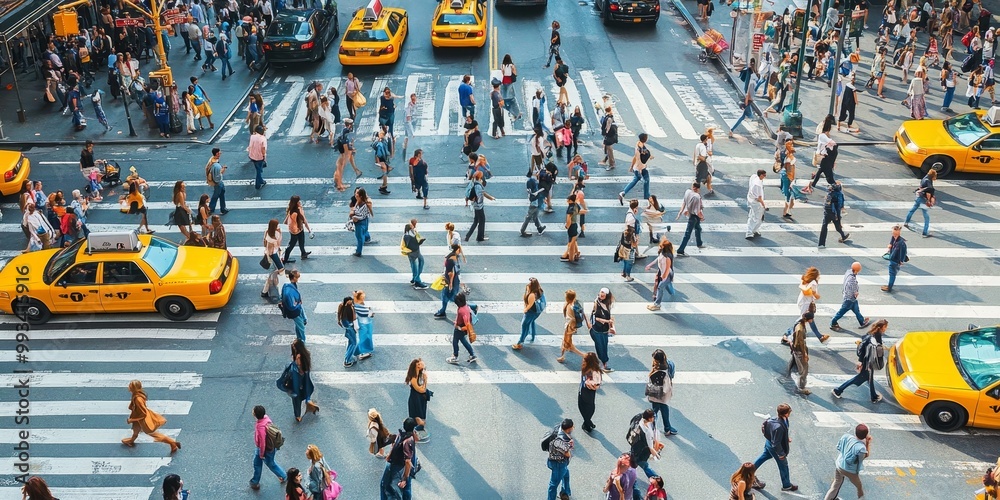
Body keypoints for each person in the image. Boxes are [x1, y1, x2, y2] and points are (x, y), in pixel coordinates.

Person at [833, 320, 888, 402]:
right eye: (885, 327)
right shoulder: (876, 336)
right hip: (868, 361)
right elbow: (873, 349)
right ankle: (838, 390)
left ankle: (874, 396)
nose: (886, 329)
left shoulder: (872, 333)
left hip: (867, 360)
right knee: (863, 377)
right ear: (880, 327)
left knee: (869, 378)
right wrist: (860, 361)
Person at [122, 380, 180, 453]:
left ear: (134, 388)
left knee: (153, 434)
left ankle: (172, 443)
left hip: (142, 420)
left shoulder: (138, 399)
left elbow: (143, 414)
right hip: (138, 419)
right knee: (135, 431)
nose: (128, 387)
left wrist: (131, 420)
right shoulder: (136, 395)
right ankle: (131, 441)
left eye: (130, 385)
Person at [753, 403, 797, 492]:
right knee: (783, 465)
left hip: (769, 443)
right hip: (775, 448)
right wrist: (781, 454)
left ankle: (749, 472)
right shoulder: (779, 426)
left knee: (764, 456)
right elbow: (776, 443)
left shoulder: (774, 419)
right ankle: (786, 485)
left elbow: (774, 433)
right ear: (786, 414)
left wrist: (785, 438)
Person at [823, 424, 872, 500]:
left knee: (836, 483)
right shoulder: (861, 448)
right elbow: (864, 456)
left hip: (839, 465)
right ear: (865, 436)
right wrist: (868, 443)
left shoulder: (847, 437)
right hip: (849, 470)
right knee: (859, 487)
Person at [249, 405, 286, 490]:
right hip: (271, 446)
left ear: (255, 415)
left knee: (268, 463)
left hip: (264, 449)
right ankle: (255, 481)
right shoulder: (266, 418)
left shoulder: (260, 427)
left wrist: (261, 454)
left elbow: (262, 443)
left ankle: (284, 476)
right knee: (260, 463)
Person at [380, 418, 417, 500]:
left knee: (390, 488)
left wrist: (404, 478)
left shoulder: (406, 440)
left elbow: (407, 461)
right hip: (399, 465)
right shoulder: (406, 436)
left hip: (398, 467)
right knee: (404, 489)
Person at [830, 262, 871, 331]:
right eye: (858, 270)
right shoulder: (852, 280)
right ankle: (833, 322)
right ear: (856, 270)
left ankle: (862, 322)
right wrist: (856, 293)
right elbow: (853, 290)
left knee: (856, 310)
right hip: (849, 299)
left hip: (851, 298)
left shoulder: (848, 272)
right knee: (841, 312)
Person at [646, 349, 677, 436]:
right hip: (664, 394)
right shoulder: (669, 365)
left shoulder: (655, 369)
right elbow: (672, 376)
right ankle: (667, 428)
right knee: (664, 409)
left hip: (655, 394)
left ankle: (651, 429)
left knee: (654, 411)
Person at [287, 339, 317, 422]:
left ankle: (298, 415)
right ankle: (308, 400)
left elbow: (298, 366)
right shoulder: (306, 354)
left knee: (296, 396)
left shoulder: (298, 356)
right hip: (305, 375)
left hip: (298, 377)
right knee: (306, 389)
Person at [619, 133, 653, 203]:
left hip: (638, 167)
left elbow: (635, 156)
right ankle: (647, 196)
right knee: (645, 180)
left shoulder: (638, 144)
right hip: (640, 168)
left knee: (637, 181)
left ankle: (623, 193)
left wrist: (631, 166)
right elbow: (642, 154)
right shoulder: (641, 149)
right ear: (645, 139)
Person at [630, 409, 663, 480]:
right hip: (642, 451)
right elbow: (651, 448)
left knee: (633, 460)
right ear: (650, 418)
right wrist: (657, 455)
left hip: (635, 446)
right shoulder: (647, 432)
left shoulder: (639, 419)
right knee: (644, 465)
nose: (654, 418)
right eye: (653, 417)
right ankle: (656, 479)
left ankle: (630, 472)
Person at [513, 278, 544, 350]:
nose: (527, 284)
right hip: (537, 312)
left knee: (524, 325)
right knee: (531, 321)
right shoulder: (539, 290)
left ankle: (520, 343)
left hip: (531, 312)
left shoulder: (532, 295)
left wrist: (525, 310)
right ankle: (532, 336)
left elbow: (530, 305)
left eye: (529, 284)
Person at [786, 312, 813, 395]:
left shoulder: (799, 324)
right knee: (804, 370)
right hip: (800, 350)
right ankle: (801, 388)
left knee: (794, 359)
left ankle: (788, 371)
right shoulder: (800, 329)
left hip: (796, 349)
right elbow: (800, 343)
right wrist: (804, 354)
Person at [547, 418, 574, 500]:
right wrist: (570, 446)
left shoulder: (558, 429)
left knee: (566, 476)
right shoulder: (560, 441)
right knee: (553, 484)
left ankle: (565, 493)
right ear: (569, 429)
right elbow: (567, 454)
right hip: (558, 464)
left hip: (561, 462)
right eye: (572, 428)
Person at [558, 289, 588, 363]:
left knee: (567, 344)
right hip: (571, 326)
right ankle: (562, 355)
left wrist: (571, 328)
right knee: (566, 341)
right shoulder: (575, 303)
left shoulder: (569, 307)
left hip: (569, 326)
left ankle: (584, 355)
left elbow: (572, 319)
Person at [447, 292, 478, 364]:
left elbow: (466, 323)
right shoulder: (466, 306)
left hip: (459, 328)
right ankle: (472, 354)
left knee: (455, 341)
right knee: (463, 340)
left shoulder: (461, 310)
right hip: (461, 328)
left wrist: (459, 327)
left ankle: (455, 356)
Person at [464, 171, 495, 242]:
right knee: (482, 221)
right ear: (480, 177)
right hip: (479, 206)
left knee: (476, 221)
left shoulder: (473, 183)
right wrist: (491, 198)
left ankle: (468, 236)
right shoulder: (478, 185)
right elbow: (482, 194)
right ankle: (480, 237)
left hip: (475, 205)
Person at [904, 169, 936, 237]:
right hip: (923, 200)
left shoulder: (924, 178)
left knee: (912, 210)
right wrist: (929, 200)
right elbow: (930, 190)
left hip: (918, 197)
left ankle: (906, 222)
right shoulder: (928, 181)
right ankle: (925, 232)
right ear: (932, 176)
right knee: (926, 217)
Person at [645, 239, 675, 310]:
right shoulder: (662, 253)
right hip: (662, 272)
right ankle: (672, 292)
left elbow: (668, 268)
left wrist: (664, 276)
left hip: (667, 275)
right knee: (667, 286)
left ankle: (657, 304)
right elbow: (658, 259)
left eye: (661, 246)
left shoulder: (668, 257)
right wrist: (650, 265)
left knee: (660, 287)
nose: (659, 247)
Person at [590, 288, 615, 372]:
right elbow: (596, 318)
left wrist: (611, 326)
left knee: (604, 346)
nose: (601, 294)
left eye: (603, 293)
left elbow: (610, 316)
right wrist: (607, 321)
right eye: (601, 292)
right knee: (600, 347)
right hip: (597, 330)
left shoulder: (607, 304)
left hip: (604, 330)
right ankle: (603, 364)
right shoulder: (596, 304)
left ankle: (603, 363)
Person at [818, 181, 850, 246]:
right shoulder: (840, 195)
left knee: (824, 226)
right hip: (834, 213)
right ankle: (843, 236)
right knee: (837, 225)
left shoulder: (830, 194)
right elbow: (839, 207)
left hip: (827, 212)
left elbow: (826, 204)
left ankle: (821, 244)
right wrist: (838, 217)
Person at [676, 182, 704, 256]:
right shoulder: (697, 197)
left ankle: (699, 243)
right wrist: (702, 217)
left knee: (698, 228)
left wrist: (680, 212)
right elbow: (697, 211)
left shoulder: (687, 192)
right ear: (698, 189)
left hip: (690, 214)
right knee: (688, 234)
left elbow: (684, 202)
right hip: (694, 216)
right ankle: (680, 250)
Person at [405, 360, 430, 442]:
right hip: (415, 399)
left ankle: (419, 431)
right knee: (417, 417)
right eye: (418, 364)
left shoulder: (422, 375)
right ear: (416, 367)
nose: (421, 364)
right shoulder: (413, 378)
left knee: (422, 414)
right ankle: (415, 435)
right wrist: (424, 385)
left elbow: (424, 388)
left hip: (421, 399)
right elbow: (420, 390)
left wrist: (425, 382)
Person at [282, 196, 312, 263]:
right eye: (298, 201)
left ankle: (303, 254)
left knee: (301, 242)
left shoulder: (294, 209)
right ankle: (285, 259)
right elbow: (303, 220)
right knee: (291, 245)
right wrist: (308, 230)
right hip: (295, 231)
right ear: (296, 203)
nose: (300, 202)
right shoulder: (295, 213)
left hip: (299, 229)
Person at [281, 269, 306, 343]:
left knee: (299, 326)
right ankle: (302, 342)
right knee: (301, 327)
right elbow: (292, 306)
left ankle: (299, 339)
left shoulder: (288, 287)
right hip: (295, 312)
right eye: (297, 277)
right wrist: (298, 304)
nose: (298, 278)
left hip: (297, 309)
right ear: (293, 278)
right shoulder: (289, 291)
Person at [262, 219, 285, 299]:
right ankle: (279, 292)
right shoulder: (275, 236)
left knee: (273, 275)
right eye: (277, 225)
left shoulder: (267, 232)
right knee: (280, 272)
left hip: (272, 254)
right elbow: (278, 245)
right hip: (273, 255)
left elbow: (264, 242)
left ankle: (265, 291)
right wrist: (280, 233)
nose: (278, 226)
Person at [881, 225, 908, 292]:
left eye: (893, 233)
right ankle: (891, 282)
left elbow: (903, 252)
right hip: (894, 259)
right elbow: (892, 240)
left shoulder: (901, 243)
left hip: (895, 260)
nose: (892, 234)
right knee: (894, 272)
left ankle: (889, 287)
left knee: (892, 273)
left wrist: (901, 260)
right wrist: (890, 245)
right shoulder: (895, 238)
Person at [403, 221, 428, 289]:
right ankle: (417, 280)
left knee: (414, 264)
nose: (413, 227)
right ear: (409, 228)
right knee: (419, 263)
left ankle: (414, 278)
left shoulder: (408, 234)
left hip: (412, 252)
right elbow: (412, 244)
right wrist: (420, 242)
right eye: (412, 226)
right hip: (414, 252)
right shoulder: (410, 235)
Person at [562, 194, 585, 263]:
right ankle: (577, 252)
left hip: (572, 226)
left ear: (570, 201)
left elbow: (569, 218)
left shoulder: (570, 208)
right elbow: (579, 212)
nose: (567, 200)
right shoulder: (576, 205)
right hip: (576, 225)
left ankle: (571, 258)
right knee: (574, 240)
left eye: (568, 200)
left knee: (571, 241)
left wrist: (567, 226)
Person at [350, 188, 373, 257]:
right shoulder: (358, 202)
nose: (355, 194)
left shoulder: (363, 205)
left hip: (360, 222)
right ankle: (367, 238)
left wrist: (354, 218)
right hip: (364, 221)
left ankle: (358, 252)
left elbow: (362, 216)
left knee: (359, 236)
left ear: (360, 196)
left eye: (357, 193)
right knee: (365, 231)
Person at [338, 296, 359, 368]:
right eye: (350, 300)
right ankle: (347, 360)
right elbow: (354, 318)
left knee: (351, 342)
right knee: (353, 343)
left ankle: (349, 356)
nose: (352, 302)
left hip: (348, 325)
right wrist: (353, 309)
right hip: (349, 326)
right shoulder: (347, 307)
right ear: (347, 301)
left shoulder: (344, 305)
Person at [206, 148, 228, 215]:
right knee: (216, 196)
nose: (220, 153)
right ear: (217, 154)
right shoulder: (217, 166)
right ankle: (211, 209)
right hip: (218, 183)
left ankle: (223, 208)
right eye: (219, 152)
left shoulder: (212, 160)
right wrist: (223, 169)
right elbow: (218, 177)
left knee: (221, 194)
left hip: (218, 182)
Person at [745, 170, 766, 239]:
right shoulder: (758, 185)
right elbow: (759, 198)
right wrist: (764, 205)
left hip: (752, 200)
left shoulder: (754, 178)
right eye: (764, 175)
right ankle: (749, 232)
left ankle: (754, 229)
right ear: (761, 175)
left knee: (754, 216)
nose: (765, 177)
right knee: (756, 217)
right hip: (756, 203)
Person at [500, 54, 522, 120]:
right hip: (509, 80)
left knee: (504, 94)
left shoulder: (502, 65)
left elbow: (502, 73)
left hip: (504, 80)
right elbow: (515, 73)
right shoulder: (512, 66)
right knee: (511, 95)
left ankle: (508, 107)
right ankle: (516, 113)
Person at [248, 125, 267, 190]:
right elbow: (263, 148)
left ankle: (261, 181)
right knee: (259, 171)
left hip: (252, 156)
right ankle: (257, 185)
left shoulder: (252, 136)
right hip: (259, 156)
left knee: (258, 168)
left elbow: (250, 146)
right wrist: (264, 156)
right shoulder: (263, 138)